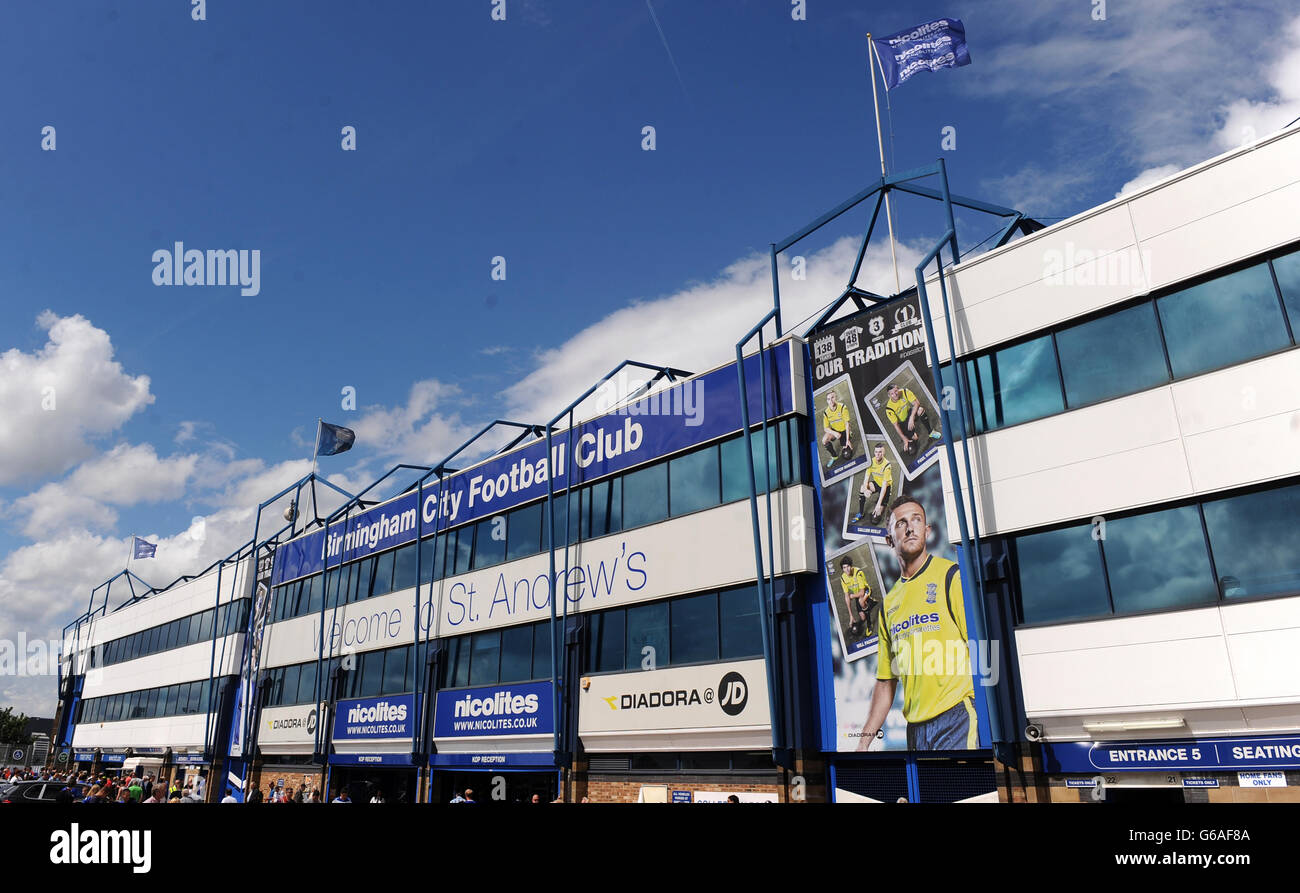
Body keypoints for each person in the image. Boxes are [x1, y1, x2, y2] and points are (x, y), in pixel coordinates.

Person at [857, 497, 975, 752]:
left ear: (927, 531)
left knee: (956, 790)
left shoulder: (950, 576)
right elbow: (886, 681)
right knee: (924, 793)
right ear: (889, 540)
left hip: (956, 716)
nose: (910, 528)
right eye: (901, 523)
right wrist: (863, 742)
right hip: (916, 729)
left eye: (916, 520)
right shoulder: (889, 605)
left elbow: (983, 648)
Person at [883, 382, 940, 458]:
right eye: (892, 393)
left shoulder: (905, 392)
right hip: (903, 423)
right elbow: (896, 425)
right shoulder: (889, 408)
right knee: (912, 448)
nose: (895, 394)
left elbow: (916, 403)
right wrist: (904, 439)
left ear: (898, 389)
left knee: (920, 410)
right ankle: (910, 436)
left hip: (909, 414)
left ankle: (930, 432)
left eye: (896, 391)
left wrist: (911, 418)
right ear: (889, 395)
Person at [852, 444, 894, 526]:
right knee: (862, 487)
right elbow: (866, 479)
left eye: (880, 452)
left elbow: (884, 486)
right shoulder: (871, 462)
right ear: (874, 452)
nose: (878, 454)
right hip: (877, 484)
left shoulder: (887, 465)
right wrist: (865, 490)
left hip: (886, 488)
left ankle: (882, 505)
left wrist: (878, 504)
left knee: (875, 518)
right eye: (876, 452)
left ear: (883, 453)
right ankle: (861, 513)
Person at [839, 558, 878, 640]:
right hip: (857, 595)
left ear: (851, 566)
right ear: (842, 569)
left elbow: (862, 593)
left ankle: (869, 625)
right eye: (844, 567)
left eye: (848, 566)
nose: (847, 569)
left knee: (861, 601)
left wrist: (852, 596)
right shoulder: (843, 578)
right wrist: (851, 615)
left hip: (866, 591)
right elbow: (846, 596)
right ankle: (871, 602)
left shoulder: (858, 573)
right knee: (862, 617)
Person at [820, 390, 854, 470]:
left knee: (847, 455)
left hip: (844, 430)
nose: (831, 401)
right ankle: (834, 456)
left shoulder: (842, 407)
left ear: (836, 397)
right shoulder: (826, 412)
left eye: (832, 397)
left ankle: (850, 434)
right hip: (835, 430)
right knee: (824, 440)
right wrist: (834, 433)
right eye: (828, 399)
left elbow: (847, 424)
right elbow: (825, 428)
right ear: (827, 401)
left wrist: (847, 440)